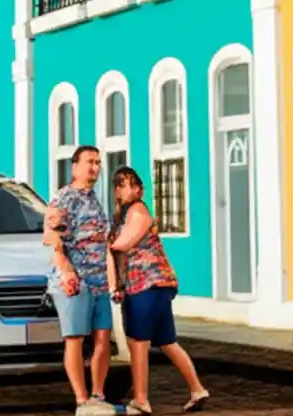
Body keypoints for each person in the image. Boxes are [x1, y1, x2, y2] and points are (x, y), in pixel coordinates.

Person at [109, 167, 209, 414]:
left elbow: (123, 244)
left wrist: (102, 243)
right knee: (167, 341)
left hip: (148, 284)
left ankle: (141, 399)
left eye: (131, 185)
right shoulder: (122, 216)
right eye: (121, 185)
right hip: (148, 285)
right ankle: (197, 389)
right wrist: (119, 285)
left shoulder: (139, 212)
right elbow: (120, 256)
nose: (126, 190)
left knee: (138, 341)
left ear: (139, 190)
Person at [43, 145, 120, 415]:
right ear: (75, 166)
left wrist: (113, 282)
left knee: (103, 338)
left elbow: (104, 243)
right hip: (76, 281)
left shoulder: (94, 199)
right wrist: (66, 272)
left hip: (98, 280)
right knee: (75, 338)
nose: (95, 167)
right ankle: (81, 399)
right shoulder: (64, 198)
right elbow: (53, 240)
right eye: (89, 162)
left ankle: (98, 395)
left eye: (98, 162)